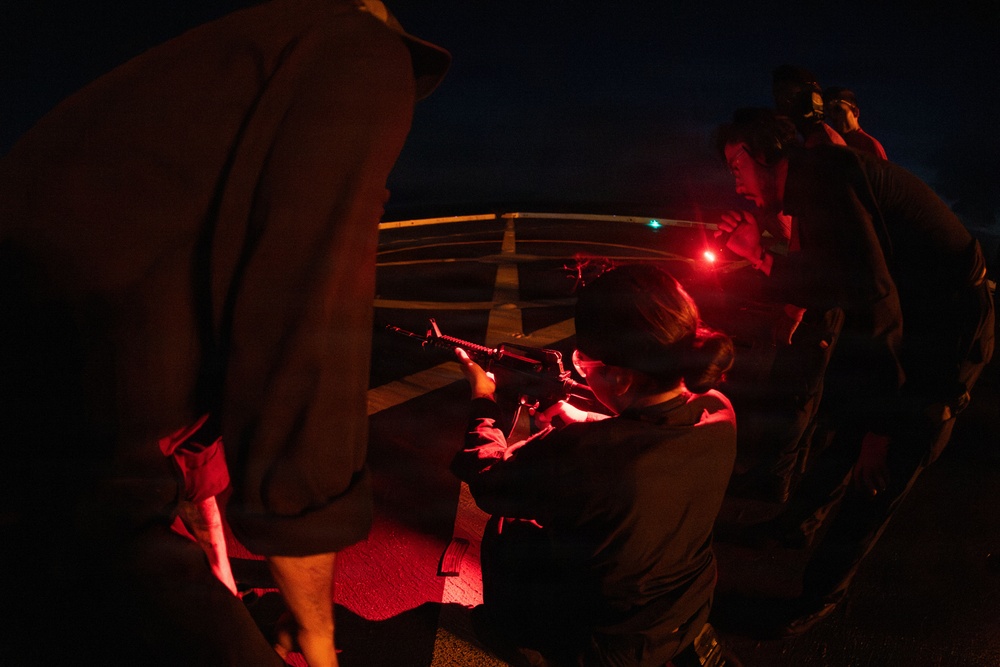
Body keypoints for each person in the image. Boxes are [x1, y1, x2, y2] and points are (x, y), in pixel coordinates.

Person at [0, 1, 449, 665]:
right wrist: (316, 629)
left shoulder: (197, 78)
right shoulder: (360, 48)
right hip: (57, 460)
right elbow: (307, 331)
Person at [713, 108, 994, 636]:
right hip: (915, 318)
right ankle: (792, 528)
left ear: (762, 153)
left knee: (884, 462)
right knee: (853, 419)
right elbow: (836, 283)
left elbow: (875, 301)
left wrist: (883, 428)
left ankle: (812, 602)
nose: (734, 182)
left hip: (946, 332)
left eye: (734, 166)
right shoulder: (817, 184)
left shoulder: (826, 178)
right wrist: (761, 255)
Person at [451, 264, 740, 667]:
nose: (578, 370)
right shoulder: (716, 408)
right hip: (685, 602)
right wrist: (581, 416)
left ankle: (513, 630)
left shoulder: (586, 454)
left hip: (606, 641)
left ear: (620, 378)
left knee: (508, 528)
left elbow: (487, 477)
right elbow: (647, 437)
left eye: (583, 363)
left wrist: (483, 400)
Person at [772, 64, 847, 148]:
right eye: (778, 96)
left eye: (791, 96)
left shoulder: (826, 143)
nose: (782, 103)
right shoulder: (798, 137)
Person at [822, 86, 888, 160]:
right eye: (829, 112)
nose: (833, 116)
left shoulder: (869, 145)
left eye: (838, 110)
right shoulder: (830, 144)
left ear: (855, 112)